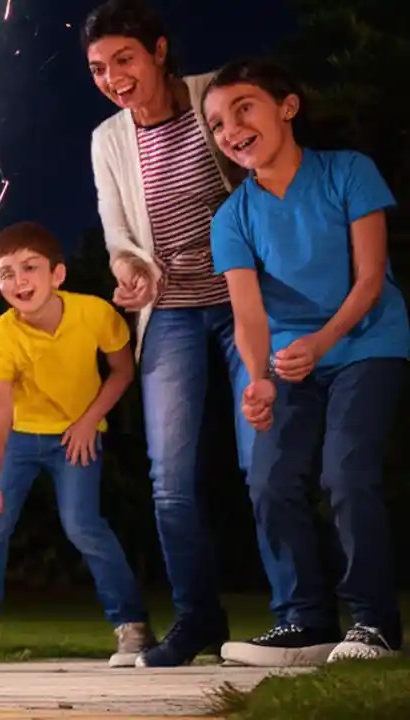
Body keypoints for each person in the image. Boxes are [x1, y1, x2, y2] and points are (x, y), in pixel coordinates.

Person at [204, 58, 408, 665]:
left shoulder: (348, 172)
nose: (231, 129)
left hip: (366, 343)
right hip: (291, 361)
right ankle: (305, 622)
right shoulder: (232, 216)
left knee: (345, 474)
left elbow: (370, 279)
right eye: (217, 123)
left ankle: (373, 623)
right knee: (269, 480)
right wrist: (259, 378)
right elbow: (248, 317)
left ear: (286, 107)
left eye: (244, 108)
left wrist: (322, 343)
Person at [83, 0, 251, 666]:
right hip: (172, 310)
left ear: (157, 50)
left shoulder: (217, 94)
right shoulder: (108, 139)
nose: (113, 77)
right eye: (99, 68)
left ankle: (305, 613)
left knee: (260, 462)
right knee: (169, 478)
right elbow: (118, 232)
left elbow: (263, 171)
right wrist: (130, 271)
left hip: (246, 304)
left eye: (125, 59)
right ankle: (197, 618)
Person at [0, 222, 155, 667]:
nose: (19, 281)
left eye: (30, 268)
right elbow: (1, 415)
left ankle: (132, 626)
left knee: (83, 525)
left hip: (76, 437)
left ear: (58, 275)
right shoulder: (1, 336)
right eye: (6, 273)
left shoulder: (93, 314)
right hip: (23, 438)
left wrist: (89, 421)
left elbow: (122, 372)